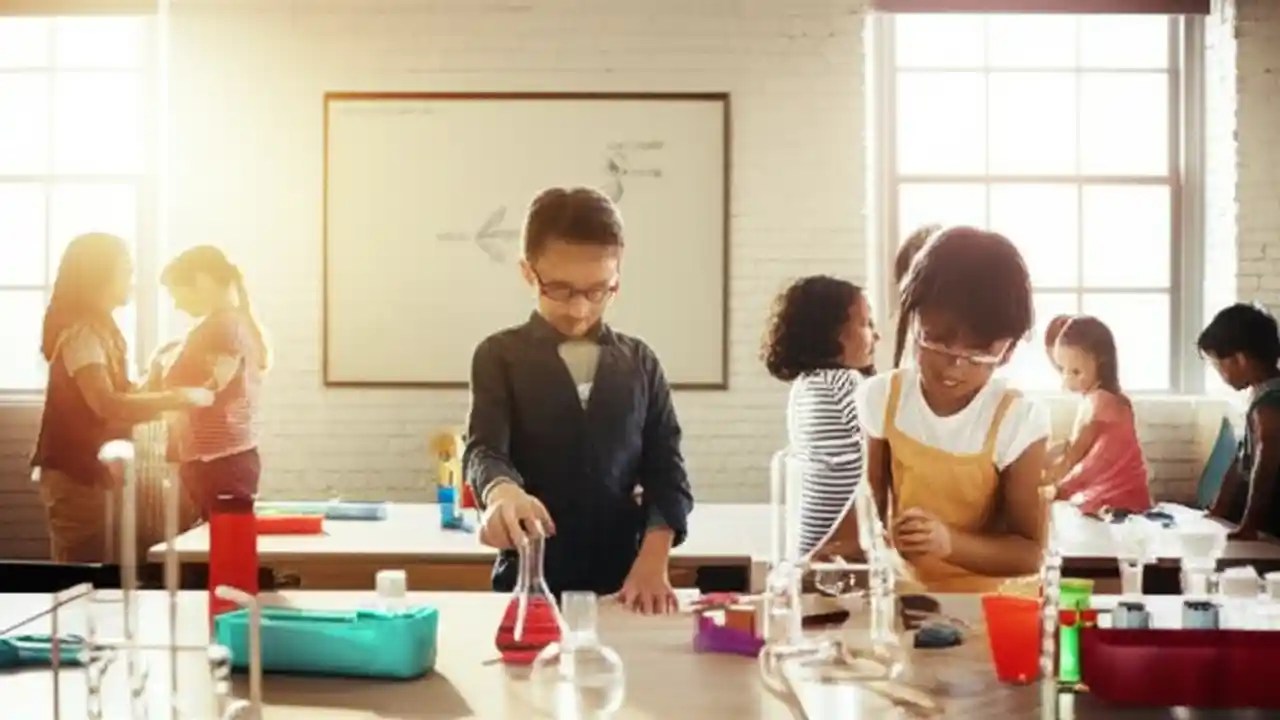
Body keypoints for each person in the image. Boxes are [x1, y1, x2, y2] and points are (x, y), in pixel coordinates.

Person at [464, 187, 693, 613]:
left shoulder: (639, 361)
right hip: (527, 585)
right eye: (562, 290)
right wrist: (501, 492)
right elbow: (484, 449)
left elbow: (668, 472)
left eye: (598, 290)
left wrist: (654, 560)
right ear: (528, 273)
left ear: (616, 279)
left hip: (624, 587)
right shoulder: (499, 355)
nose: (580, 309)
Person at [819, 226, 1050, 592]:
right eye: (936, 341)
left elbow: (1030, 552)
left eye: (977, 354)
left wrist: (949, 543)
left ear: (1008, 351)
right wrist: (822, 559)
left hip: (988, 603)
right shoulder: (884, 398)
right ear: (913, 321)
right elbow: (867, 508)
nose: (953, 367)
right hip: (906, 594)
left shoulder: (1016, 420)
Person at [31, 233, 209, 562]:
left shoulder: (104, 330)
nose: (132, 278)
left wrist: (156, 374)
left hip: (91, 476)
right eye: (126, 269)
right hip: (75, 475)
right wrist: (177, 398)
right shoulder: (83, 332)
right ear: (100, 274)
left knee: (98, 574)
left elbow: (123, 399)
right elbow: (107, 404)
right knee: (83, 579)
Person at [762, 276, 878, 556]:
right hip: (840, 551)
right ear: (833, 334)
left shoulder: (806, 385)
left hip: (809, 545)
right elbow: (888, 444)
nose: (876, 335)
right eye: (865, 324)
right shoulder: (844, 382)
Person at [155, 245, 271, 519]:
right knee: (216, 550)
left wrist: (154, 393)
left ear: (202, 281)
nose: (177, 305)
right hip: (221, 461)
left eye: (177, 293)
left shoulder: (222, 327)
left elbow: (208, 390)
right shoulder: (228, 324)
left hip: (218, 464)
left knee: (218, 553)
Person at [1043, 315, 1152, 515]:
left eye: (1076, 372)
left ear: (1101, 362)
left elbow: (1074, 456)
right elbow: (1074, 447)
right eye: (1063, 371)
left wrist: (1046, 483)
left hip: (1114, 498)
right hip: (1133, 495)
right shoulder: (1112, 400)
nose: (1068, 380)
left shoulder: (1099, 402)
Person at [1198, 303, 1280, 540]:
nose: (1219, 374)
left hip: (1271, 523)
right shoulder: (1260, 395)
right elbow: (1241, 460)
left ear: (1240, 359)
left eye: (1217, 364)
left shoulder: (1269, 406)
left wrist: (1249, 526)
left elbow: (1265, 468)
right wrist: (1218, 509)